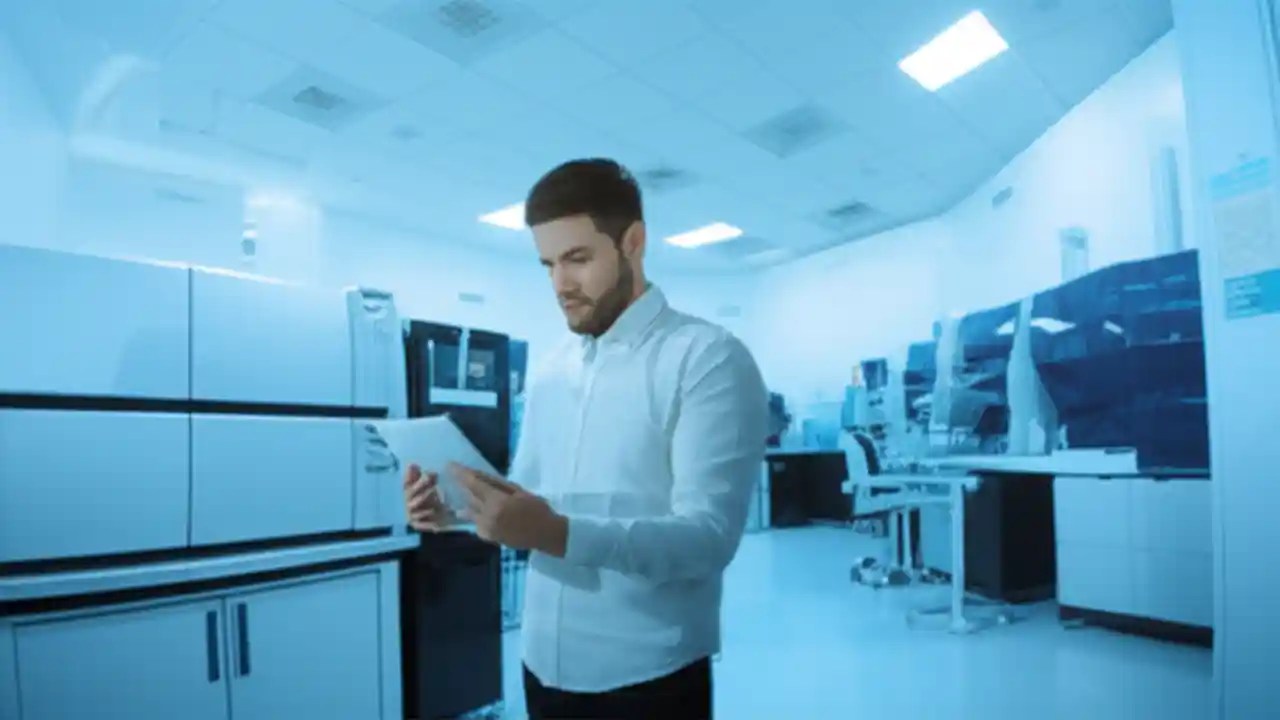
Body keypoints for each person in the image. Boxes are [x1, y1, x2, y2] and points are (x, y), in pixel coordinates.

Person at [402, 158, 767, 720]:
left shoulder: (706, 358)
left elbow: (708, 539)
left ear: (634, 243)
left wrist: (558, 534)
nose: (559, 285)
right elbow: (527, 497)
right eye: (547, 264)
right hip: (542, 667)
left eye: (577, 259)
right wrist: (455, 510)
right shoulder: (551, 369)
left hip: (647, 676)